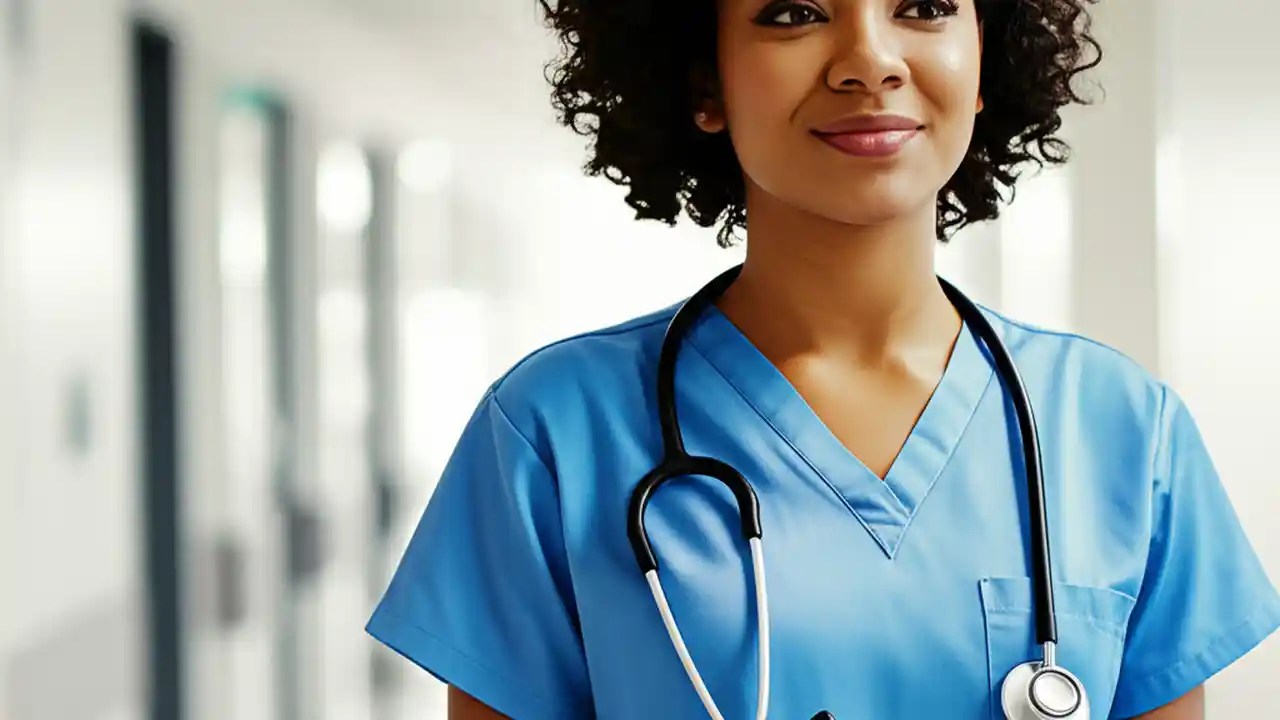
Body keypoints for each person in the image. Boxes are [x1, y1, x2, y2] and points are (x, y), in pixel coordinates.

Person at [366, 1, 1280, 718]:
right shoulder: (554, 430)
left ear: (985, 62)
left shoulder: (1122, 428)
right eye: (795, 12)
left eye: (923, 5)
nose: (871, 60)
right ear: (704, 79)